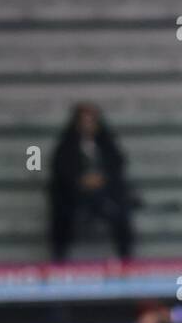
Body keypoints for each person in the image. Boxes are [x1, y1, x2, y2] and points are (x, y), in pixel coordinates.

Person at [48, 103, 138, 261]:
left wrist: (102, 179)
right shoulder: (66, 145)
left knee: (120, 211)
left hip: (105, 194)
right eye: (84, 121)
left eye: (91, 121)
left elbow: (117, 166)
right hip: (74, 195)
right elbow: (60, 169)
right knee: (60, 213)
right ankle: (59, 259)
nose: (87, 125)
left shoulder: (107, 144)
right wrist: (80, 180)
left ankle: (126, 259)